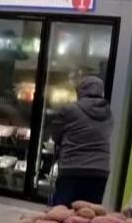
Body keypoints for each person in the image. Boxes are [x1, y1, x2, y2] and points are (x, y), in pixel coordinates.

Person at [45, 75, 113, 206]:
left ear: (80, 91)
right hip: (100, 170)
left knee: (64, 212)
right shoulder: (108, 113)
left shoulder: (70, 110)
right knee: (87, 215)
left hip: (72, 167)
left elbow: (55, 135)